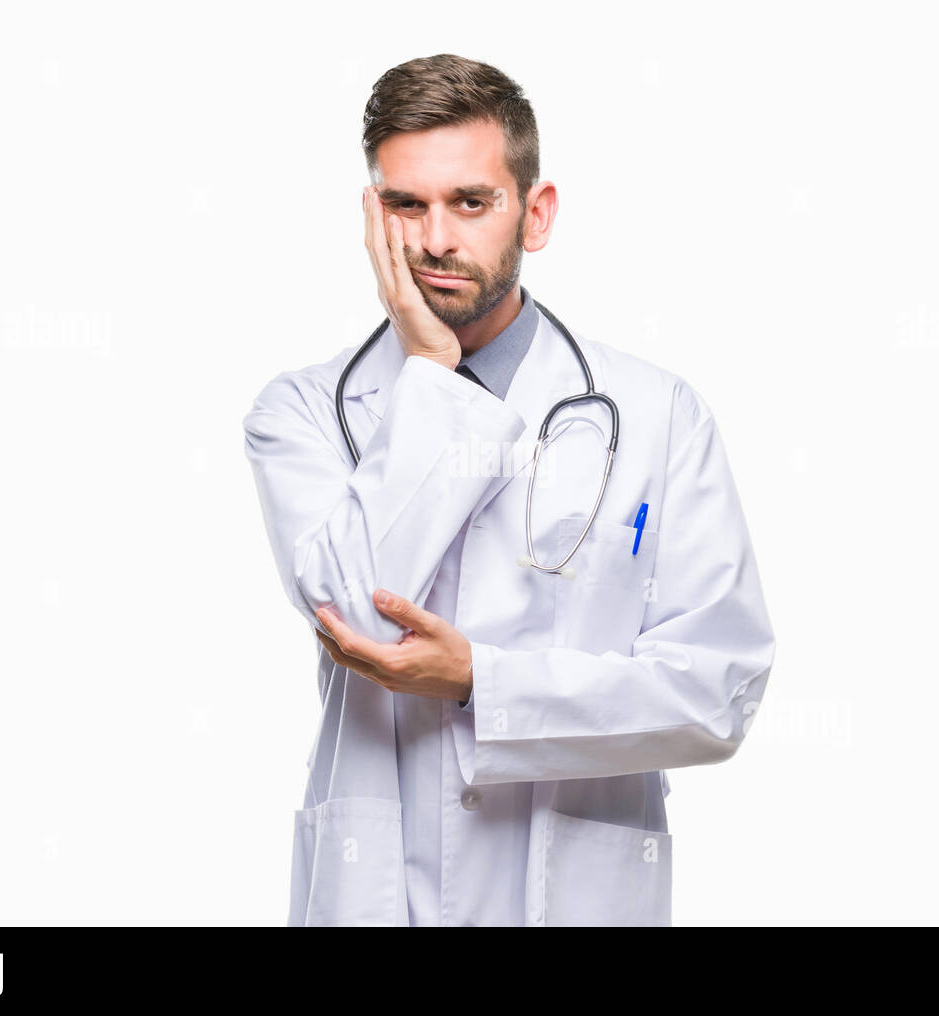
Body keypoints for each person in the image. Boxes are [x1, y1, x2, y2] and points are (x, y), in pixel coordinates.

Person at [243, 53, 775, 926]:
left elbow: (718, 693)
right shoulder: (300, 412)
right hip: (378, 891)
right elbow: (358, 617)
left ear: (536, 215)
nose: (436, 240)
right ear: (373, 219)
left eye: (471, 202)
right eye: (406, 205)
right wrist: (433, 376)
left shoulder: (658, 414)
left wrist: (482, 684)